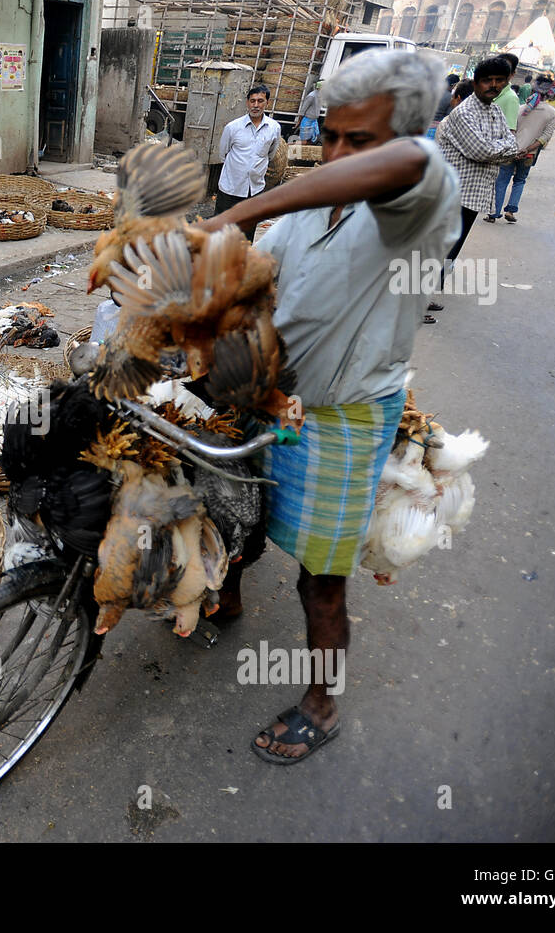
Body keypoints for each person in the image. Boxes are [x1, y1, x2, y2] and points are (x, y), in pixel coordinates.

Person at [196, 48, 460, 764]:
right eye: (331, 134)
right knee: (234, 511)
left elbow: (403, 165)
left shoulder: (424, 192)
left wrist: (237, 210)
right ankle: (228, 595)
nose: (336, 153)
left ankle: (321, 700)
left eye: (359, 140)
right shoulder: (310, 209)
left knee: (322, 575)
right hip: (265, 393)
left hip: (344, 415)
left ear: (408, 136)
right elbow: (257, 274)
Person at [434, 56, 518, 319]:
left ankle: (422, 297)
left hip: (473, 195)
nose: (493, 85)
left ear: (506, 82)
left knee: (450, 250)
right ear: (476, 82)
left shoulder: (495, 112)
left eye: (499, 80)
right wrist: (501, 150)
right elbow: (481, 150)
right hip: (451, 194)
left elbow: (511, 146)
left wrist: (500, 150)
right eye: (487, 80)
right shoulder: (463, 113)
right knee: (437, 249)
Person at [214, 84, 281, 237]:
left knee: (247, 231)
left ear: (267, 103)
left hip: (254, 189)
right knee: (222, 229)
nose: (256, 105)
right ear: (247, 102)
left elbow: (270, 154)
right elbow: (223, 153)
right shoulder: (233, 127)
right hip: (231, 187)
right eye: (252, 101)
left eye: (260, 101)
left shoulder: (274, 128)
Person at [487, 90, 555, 223]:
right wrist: (527, 149)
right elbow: (545, 136)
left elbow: (510, 128)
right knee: (520, 180)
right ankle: (510, 211)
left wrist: (515, 148)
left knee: (502, 181)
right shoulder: (551, 112)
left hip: (511, 151)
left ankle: (493, 213)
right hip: (529, 154)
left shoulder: (520, 108)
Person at [429, 73, 460, 138]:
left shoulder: (433, 91)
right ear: (454, 85)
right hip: (435, 129)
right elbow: (447, 117)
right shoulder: (450, 98)